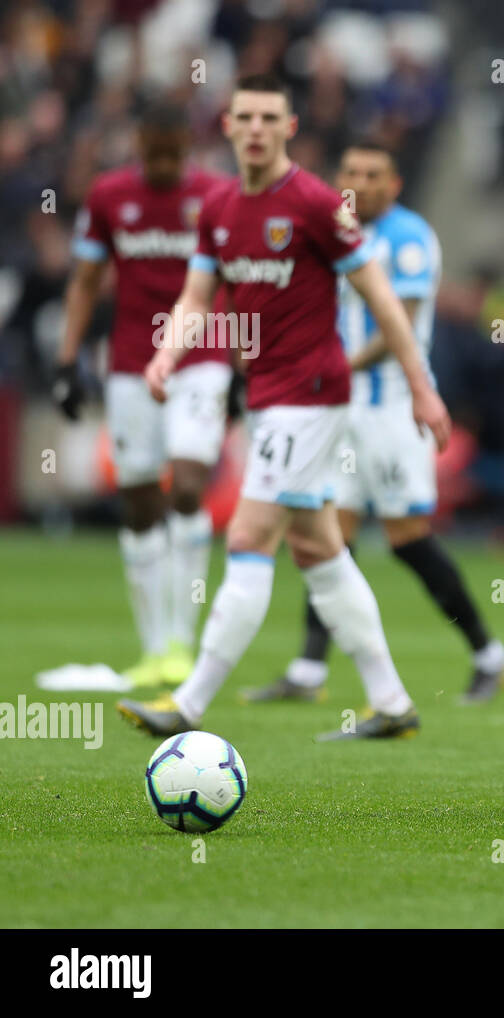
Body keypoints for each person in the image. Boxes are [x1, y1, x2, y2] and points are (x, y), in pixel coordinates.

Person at [117, 74, 451, 741]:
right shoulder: (216, 209)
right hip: (270, 399)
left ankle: (187, 703)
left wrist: (421, 385)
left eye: (272, 117)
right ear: (229, 125)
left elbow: (382, 298)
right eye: (247, 116)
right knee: (319, 549)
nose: (259, 128)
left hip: (314, 395)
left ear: (290, 127)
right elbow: (195, 298)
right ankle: (391, 702)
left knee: (246, 537)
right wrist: (166, 354)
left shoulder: (317, 204)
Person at [242, 141, 504, 707]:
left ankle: (490, 657)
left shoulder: (409, 237)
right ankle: (308, 671)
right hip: (337, 411)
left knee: (407, 539)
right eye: (350, 171)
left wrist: (332, 365)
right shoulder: (329, 232)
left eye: (373, 174)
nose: (360, 182)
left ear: (393, 184)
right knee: (325, 537)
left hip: (393, 409)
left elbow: (401, 326)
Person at [55, 103, 231, 689]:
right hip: (130, 363)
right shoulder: (108, 197)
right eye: (153, 152)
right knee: (137, 501)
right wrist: (66, 360)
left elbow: (238, 281)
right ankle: (155, 646)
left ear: (189, 144)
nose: (162, 164)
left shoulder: (215, 196)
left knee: (185, 486)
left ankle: (184, 640)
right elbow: (84, 282)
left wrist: (247, 360)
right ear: (137, 142)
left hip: (200, 359)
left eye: (173, 153)